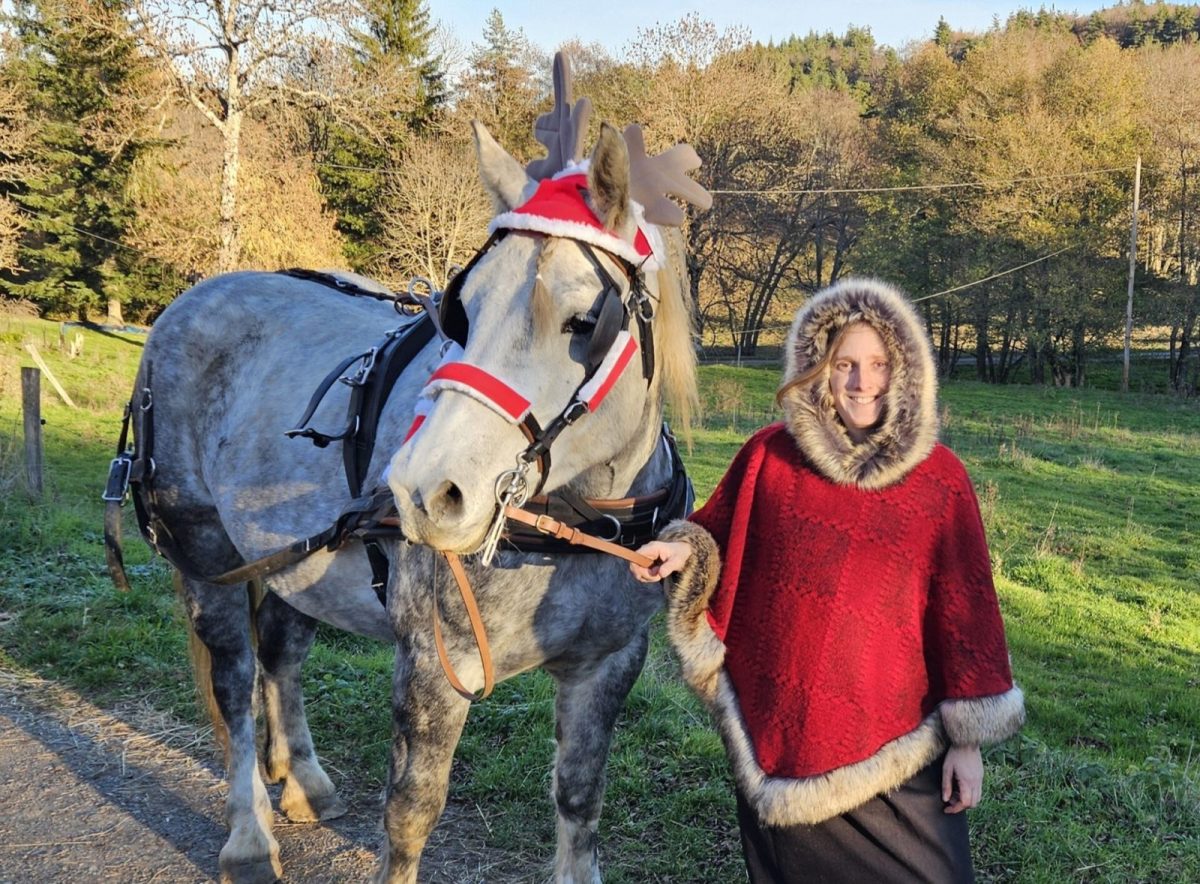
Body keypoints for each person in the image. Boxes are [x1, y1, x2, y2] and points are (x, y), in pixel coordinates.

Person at [632, 278, 1025, 883]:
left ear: (905, 371)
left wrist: (967, 743)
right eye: (845, 364)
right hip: (780, 730)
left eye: (877, 364)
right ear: (818, 369)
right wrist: (681, 548)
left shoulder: (940, 481)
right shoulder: (769, 457)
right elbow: (718, 533)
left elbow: (965, 614)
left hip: (899, 745)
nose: (862, 382)